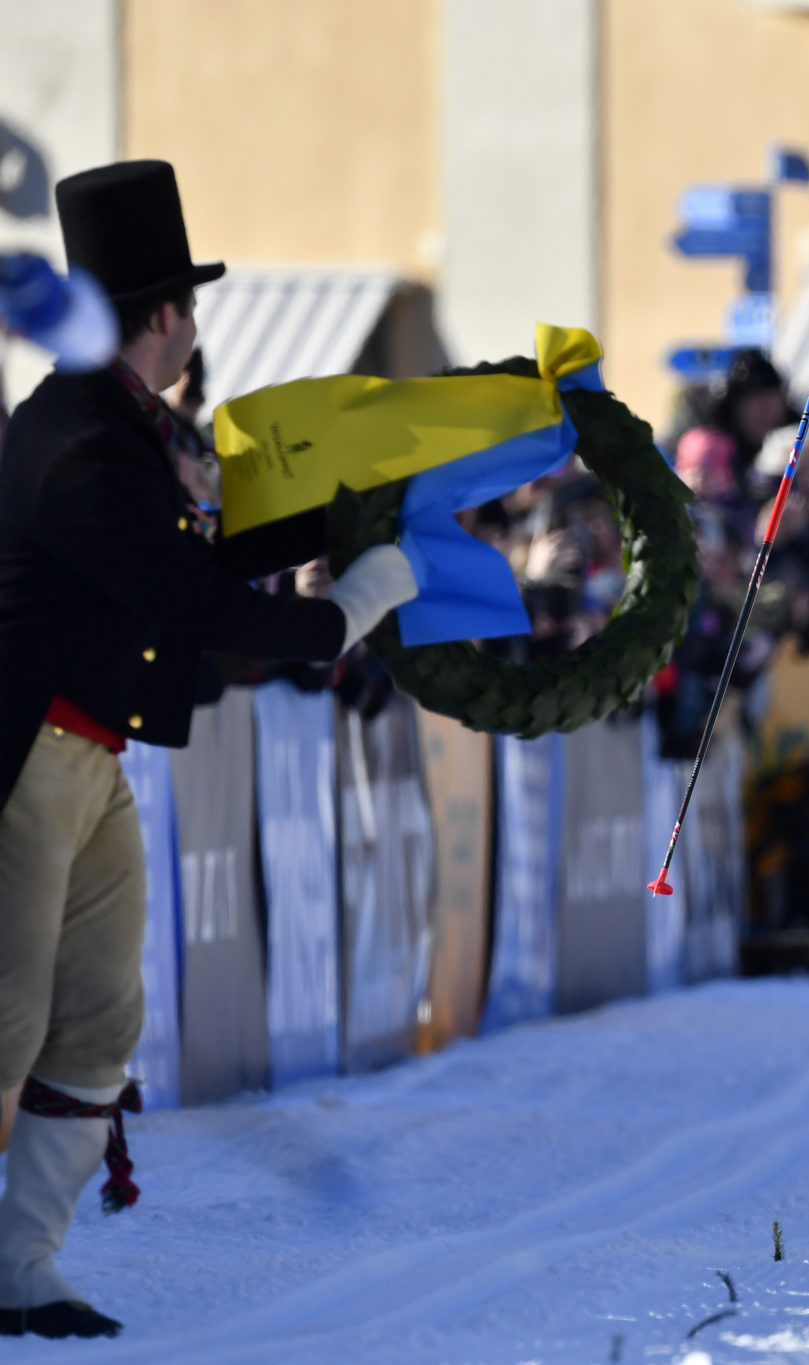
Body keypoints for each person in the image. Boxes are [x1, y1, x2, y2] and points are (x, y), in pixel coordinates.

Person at [0, 161, 417, 1339]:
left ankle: (21, 1265)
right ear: (166, 314)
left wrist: (340, 526)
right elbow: (191, 600)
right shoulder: (79, 444)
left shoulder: (119, 430)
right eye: (191, 303)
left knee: (95, 1026)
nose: (198, 325)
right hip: (26, 764)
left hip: (86, 766)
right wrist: (338, 618)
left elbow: (191, 565)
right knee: (5, 1022)